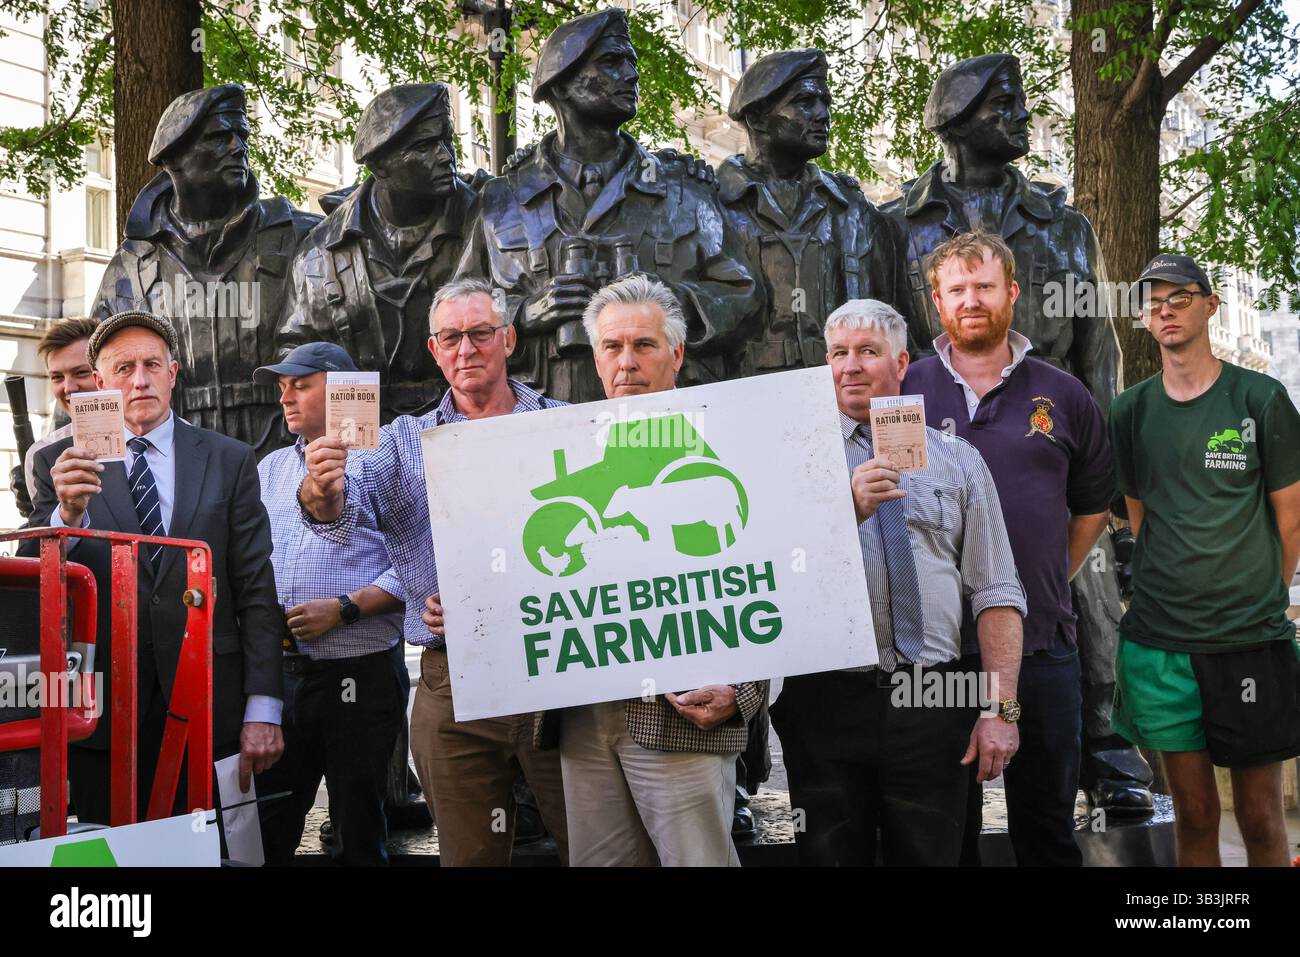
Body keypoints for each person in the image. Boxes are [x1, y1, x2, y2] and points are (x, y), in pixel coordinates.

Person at [883, 52, 1151, 818]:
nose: (1023, 115)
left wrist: (1099, 490)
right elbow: (885, 349)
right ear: (956, 117)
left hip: (1049, 441)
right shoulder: (898, 223)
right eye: (1004, 103)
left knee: (1087, 588)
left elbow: (1099, 352)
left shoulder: (1064, 226)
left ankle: (1103, 744)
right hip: (938, 444)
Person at [297, 277, 569, 866]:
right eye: (452, 337)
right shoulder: (399, 442)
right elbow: (343, 513)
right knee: (468, 857)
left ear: (508, 339)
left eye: (480, 334)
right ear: (434, 350)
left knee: (596, 848)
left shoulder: (564, 426)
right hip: (452, 683)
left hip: (559, 671)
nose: (466, 349)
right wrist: (321, 490)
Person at [513, 273, 764, 866]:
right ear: (596, 358)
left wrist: (744, 692)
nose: (627, 361)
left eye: (644, 345)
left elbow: (773, 581)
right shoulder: (559, 447)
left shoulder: (734, 436)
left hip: (686, 714)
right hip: (583, 717)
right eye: (613, 346)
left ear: (676, 354)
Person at [769, 298, 1027, 866]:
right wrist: (846, 509)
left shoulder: (957, 458)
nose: (851, 366)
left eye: (868, 351)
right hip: (826, 697)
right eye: (838, 353)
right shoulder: (793, 459)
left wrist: (1000, 711)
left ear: (902, 362)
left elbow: (997, 590)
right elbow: (769, 570)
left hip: (935, 691)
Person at [903, 232, 1114, 865]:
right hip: (941, 655)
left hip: (1044, 646)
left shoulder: (1065, 395)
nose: (972, 300)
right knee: (946, 834)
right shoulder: (903, 394)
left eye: (985, 286)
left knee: (1047, 827)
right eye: (957, 290)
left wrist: (1039, 584)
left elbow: (1093, 508)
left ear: (1012, 294)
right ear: (937, 302)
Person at [24, 310, 283, 824]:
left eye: (151, 365)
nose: (139, 380)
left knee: (214, 847)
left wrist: (264, 707)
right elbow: (32, 580)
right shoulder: (64, 461)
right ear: (100, 382)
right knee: (116, 862)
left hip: (209, 702)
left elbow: (255, 587)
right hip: (103, 711)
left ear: (174, 371)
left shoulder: (229, 459)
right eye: (123, 369)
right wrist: (64, 518)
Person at [456, 7, 759, 402]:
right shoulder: (501, 200)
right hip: (537, 419)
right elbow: (456, 309)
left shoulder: (682, 189)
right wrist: (522, 314)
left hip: (661, 419)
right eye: (612, 62)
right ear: (561, 85)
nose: (632, 75)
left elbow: (743, 297)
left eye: (631, 63)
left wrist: (665, 302)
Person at [1108, 254, 1300, 866]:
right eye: (1153, 301)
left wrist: (1257, 595)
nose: (1165, 310)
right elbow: (1140, 516)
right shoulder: (1130, 411)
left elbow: (1290, 522)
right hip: (1162, 642)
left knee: (1262, 820)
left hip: (1248, 641)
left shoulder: (1261, 399)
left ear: (1210, 305)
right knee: (1192, 815)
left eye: (1179, 297)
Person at [93, 84, 321, 456]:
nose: (238, 147)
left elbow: (344, 358)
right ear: (175, 157)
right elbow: (97, 376)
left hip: (286, 464)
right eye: (219, 137)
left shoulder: (299, 237)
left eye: (241, 135)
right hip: (177, 469)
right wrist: (61, 463)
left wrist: (352, 462)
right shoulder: (133, 265)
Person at [250, 341, 407, 866]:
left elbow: (422, 563)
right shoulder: (271, 468)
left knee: (357, 830)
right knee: (271, 824)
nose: (286, 397)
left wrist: (345, 608)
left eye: (301, 384)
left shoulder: (391, 457)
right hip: (286, 675)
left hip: (359, 676)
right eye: (282, 387)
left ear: (342, 389)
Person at [278, 83, 478, 421]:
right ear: (381, 165)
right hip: (361, 431)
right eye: (426, 147)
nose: (446, 157)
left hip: (464, 426)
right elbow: (295, 349)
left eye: (447, 141)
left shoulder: (483, 219)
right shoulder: (320, 252)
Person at [718, 48, 913, 375]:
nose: (823, 114)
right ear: (757, 118)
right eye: (805, 103)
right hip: (743, 403)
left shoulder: (854, 212)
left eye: (825, 103)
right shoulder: (711, 203)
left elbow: (896, 320)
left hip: (846, 399)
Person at [18, 318, 100, 508]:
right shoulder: (41, 455)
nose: (69, 388)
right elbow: (45, 529)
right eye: (57, 377)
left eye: (81, 373)